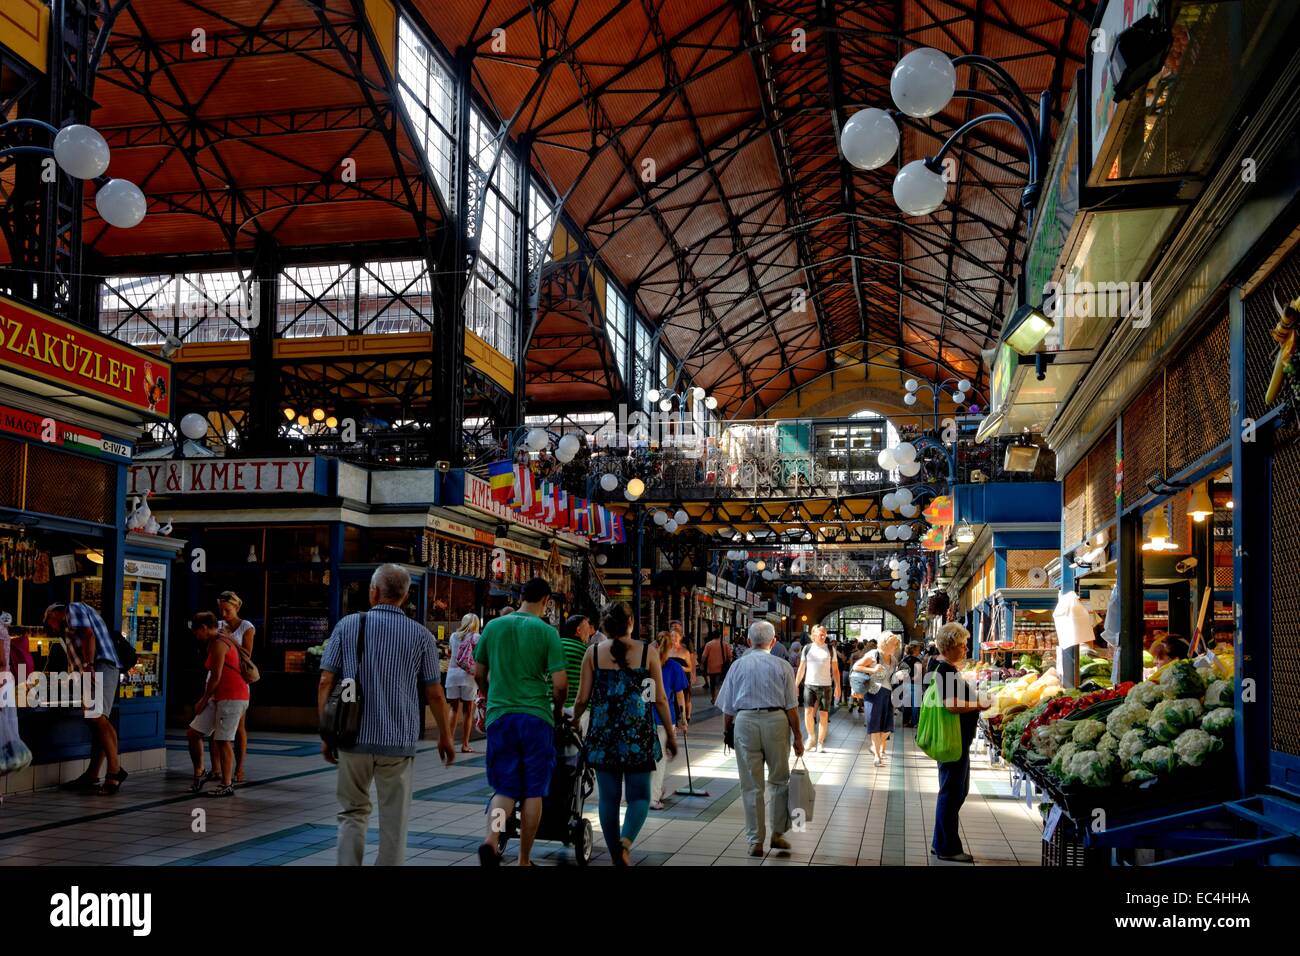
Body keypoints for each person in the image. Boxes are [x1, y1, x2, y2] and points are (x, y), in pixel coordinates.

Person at [318, 564, 455, 866]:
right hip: (399, 740)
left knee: (352, 812)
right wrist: (445, 736)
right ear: (405, 596)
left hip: (353, 737)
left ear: (374, 591)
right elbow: (434, 693)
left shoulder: (348, 625)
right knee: (395, 822)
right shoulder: (421, 636)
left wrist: (327, 733)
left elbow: (326, 681)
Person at [572, 605, 677, 864]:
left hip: (603, 736)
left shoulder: (593, 653)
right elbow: (660, 698)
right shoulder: (647, 653)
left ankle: (614, 852)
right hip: (637, 736)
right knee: (640, 796)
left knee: (608, 798)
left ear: (604, 625)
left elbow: (582, 698)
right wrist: (670, 734)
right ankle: (625, 843)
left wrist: (575, 720)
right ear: (631, 622)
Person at [474, 577, 568, 867]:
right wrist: (557, 710)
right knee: (533, 790)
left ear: (521, 597)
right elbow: (560, 684)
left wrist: (491, 697)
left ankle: (492, 840)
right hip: (536, 717)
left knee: (505, 787)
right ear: (546, 601)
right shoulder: (547, 631)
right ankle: (524, 860)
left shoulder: (493, 626)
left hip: (500, 715)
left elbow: (478, 672)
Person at [717, 620, 802, 857]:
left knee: (751, 785)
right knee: (779, 780)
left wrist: (727, 732)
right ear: (773, 642)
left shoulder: (737, 665)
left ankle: (755, 840)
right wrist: (798, 737)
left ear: (748, 641)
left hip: (744, 722)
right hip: (777, 721)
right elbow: (791, 707)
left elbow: (728, 707)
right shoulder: (782, 665)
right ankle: (777, 834)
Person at [46, 603, 125, 795]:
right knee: (97, 721)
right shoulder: (70, 623)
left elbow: (88, 634)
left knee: (96, 717)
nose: (51, 629)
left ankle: (115, 770)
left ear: (52, 614)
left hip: (99, 666)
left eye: (49, 624)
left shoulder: (72, 609)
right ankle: (93, 774)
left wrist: (88, 666)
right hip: (97, 668)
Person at [930, 622, 984, 863]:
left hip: (957, 740)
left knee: (956, 791)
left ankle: (940, 842)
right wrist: (979, 705)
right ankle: (947, 847)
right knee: (952, 793)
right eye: (961, 645)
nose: (965, 649)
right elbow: (951, 705)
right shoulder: (946, 671)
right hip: (954, 741)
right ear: (949, 647)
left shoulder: (946, 668)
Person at [185, 612, 249, 796]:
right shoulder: (215, 641)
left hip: (232, 697)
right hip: (219, 696)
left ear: (204, 628)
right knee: (193, 733)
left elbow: (216, 676)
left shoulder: (220, 643)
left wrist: (203, 700)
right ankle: (200, 771)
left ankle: (227, 784)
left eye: (196, 631)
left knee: (223, 740)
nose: (196, 635)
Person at [214, 591, 254, 785]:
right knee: (216, 726)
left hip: (238, 680)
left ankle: (239, 768)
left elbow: (247, 653)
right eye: (221, 609)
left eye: (227, 610)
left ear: (236, 608)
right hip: (217, 678)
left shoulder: (246, 627)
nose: (224, 614)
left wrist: (229, 639)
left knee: (238, 727)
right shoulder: (218, 625)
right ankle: (216, 768)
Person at [650, 630, 689, 810]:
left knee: (644, 758)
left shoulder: (645, 664)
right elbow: (680, 695)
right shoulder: (674, 667)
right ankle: (654, 797)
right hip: (665, 718)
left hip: (643, 717)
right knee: (660, 760)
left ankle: (644, 794)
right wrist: (684, 718)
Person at [793, 624, 839, 753]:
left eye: (825, 633)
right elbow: (801, 669)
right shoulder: (807, 649)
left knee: (824, 715)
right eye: (821, 634)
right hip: (810, 685)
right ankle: (811, 737)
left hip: (826, 686)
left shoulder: (830, 649)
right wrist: (796, 685)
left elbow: (835, 670)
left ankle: (820, 742)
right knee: (808, 713)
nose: (824, 636)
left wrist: (838, 687)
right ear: (813, 635)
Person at [859, 633, 901, 766]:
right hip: (873, 693)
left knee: (887, 727)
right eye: (894, 643)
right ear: (886, 644)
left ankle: (874, 748)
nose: (896, 646)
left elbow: (891, 678)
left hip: (888, 693)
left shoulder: (893, 659)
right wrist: (872, 670)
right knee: (875, 724)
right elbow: (857, 667)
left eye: (896, 644)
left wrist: (898, 676)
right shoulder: (874, 654)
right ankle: (877, 756)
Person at [446, 613, 482, 753]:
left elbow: (451, 653)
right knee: (467, 711)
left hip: (452, 675)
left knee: (453, 709)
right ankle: (465, 744)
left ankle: (449, 742)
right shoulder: (476, 637)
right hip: (468, 676)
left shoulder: (453, 636)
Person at [559, 613, 594, 725]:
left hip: (551, 707)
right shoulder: (586, 652)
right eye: (588, 629)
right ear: (578, 630)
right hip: (578, 711)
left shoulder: (555, 646)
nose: (590, 633)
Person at [700, 629, 733, 704]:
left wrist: (702, 664)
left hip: (711, 668)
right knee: (719, 684)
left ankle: (714, 698)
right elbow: (730, 656)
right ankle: (719, 698)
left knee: (712, 684)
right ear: (720, 636)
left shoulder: (708, 644)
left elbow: (704, 656)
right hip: (722, 668)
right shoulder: (725, 644)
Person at [899, 642, 925, 727]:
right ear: (914, 650)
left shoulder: (904, 660)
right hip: (915, 685)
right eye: (918, 649)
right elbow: (918, 676)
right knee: (915, 705)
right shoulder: (917, 661)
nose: (919, 651)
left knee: (907, 704)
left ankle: (905, 722)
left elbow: (900, 674)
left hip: (906, 684)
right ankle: (915, 722)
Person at [667, 621, 695, 688]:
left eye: (676, 626)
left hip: (683, 675)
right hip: (669, 677)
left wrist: (693, 674)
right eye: (672, 626)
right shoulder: (666, 646)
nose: (674, 627)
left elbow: (692, 658)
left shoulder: (687, 641)